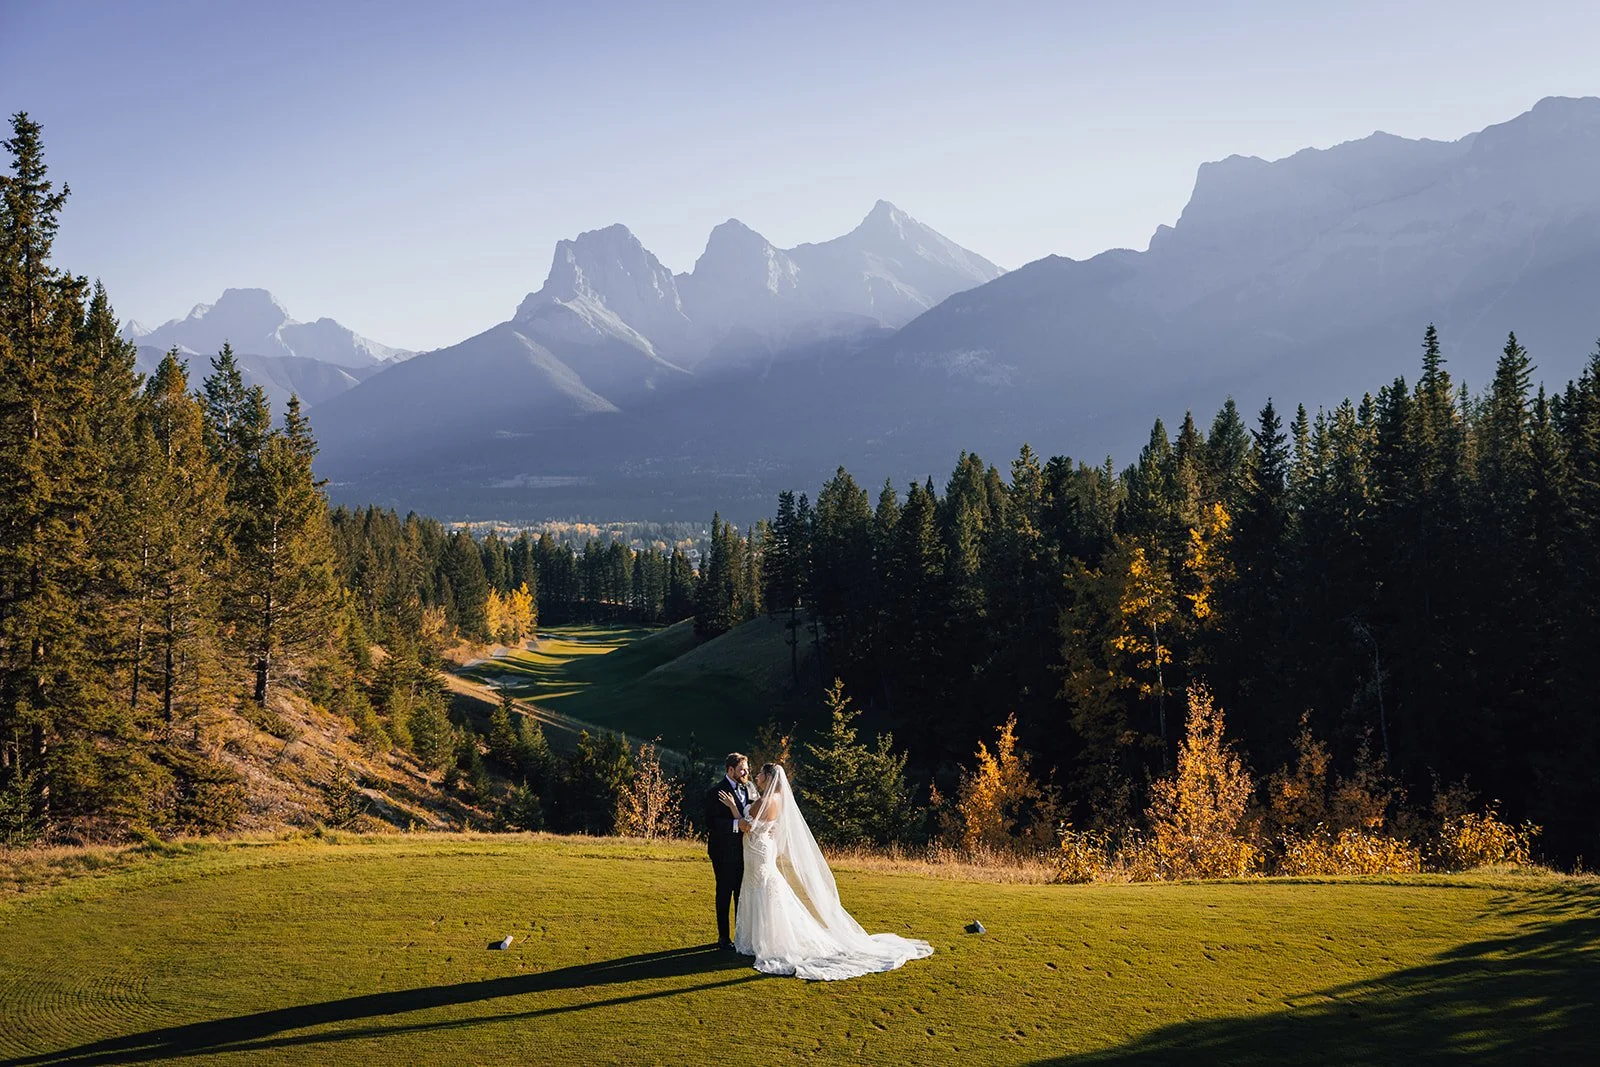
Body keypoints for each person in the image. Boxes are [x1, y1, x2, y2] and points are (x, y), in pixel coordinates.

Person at [717, 762, 933, 980]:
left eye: (761, 774)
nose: (757, 776)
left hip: (758, 850)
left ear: (768, 777)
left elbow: (746, 825)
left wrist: (733, 807)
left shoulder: (764, 801)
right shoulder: (779, 799)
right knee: (764, 888)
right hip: (763, 848)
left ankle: (765, 939)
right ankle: (760, 937)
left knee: (761, 889)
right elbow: (772, 823)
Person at [703, 752, 752, 949]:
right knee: (724, 892)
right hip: (722, 852)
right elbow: (711, 823)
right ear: (730, 770)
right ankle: (723, 937)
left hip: (745, 851)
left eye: (747, 768)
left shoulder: (749, 788)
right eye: (742, 769)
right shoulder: (716, 792)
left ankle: (741, 936)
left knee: (742, 894)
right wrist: (735, 825)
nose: (746, 772)